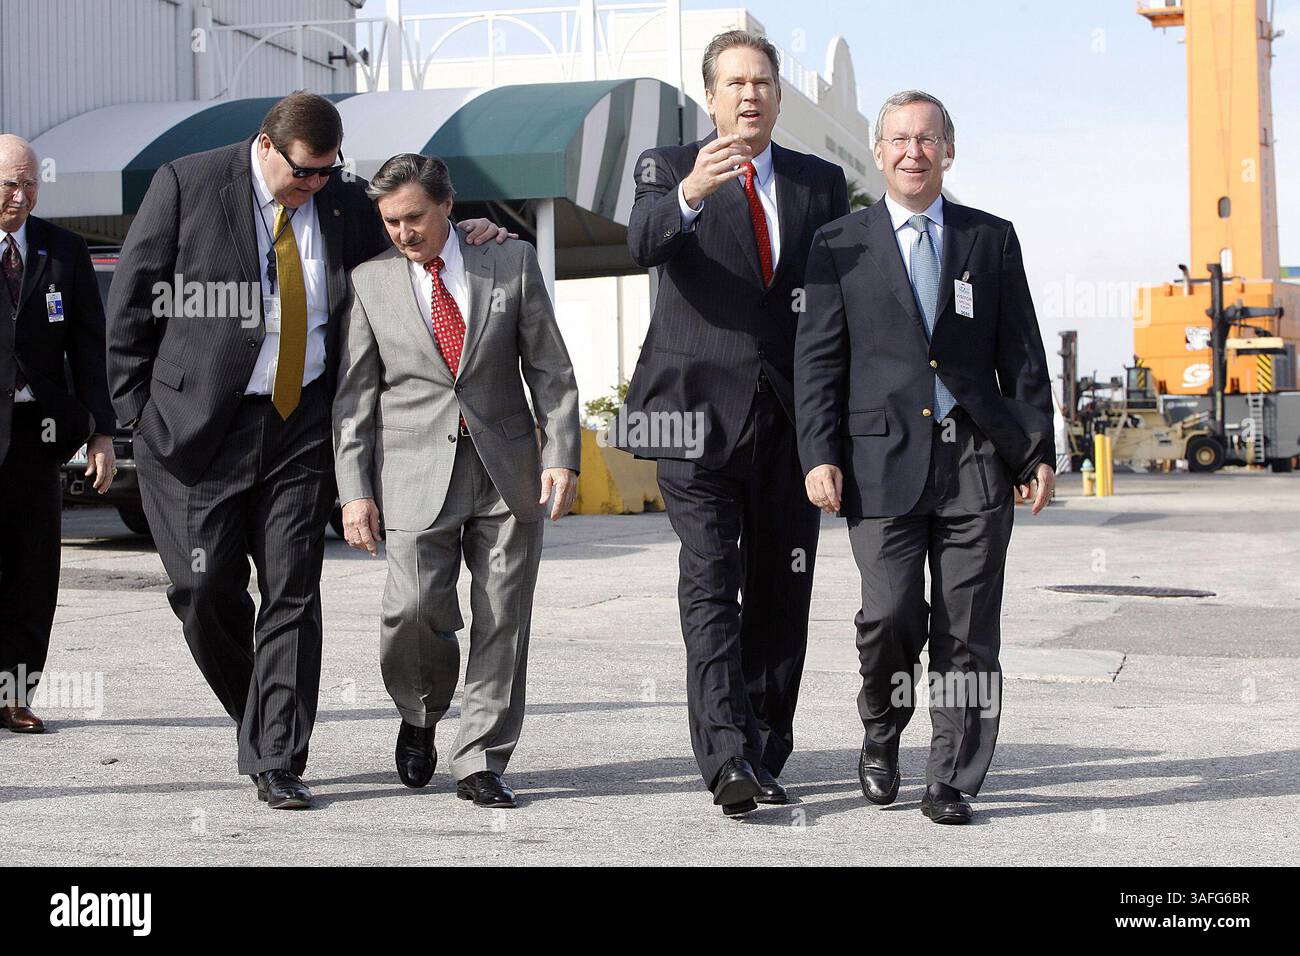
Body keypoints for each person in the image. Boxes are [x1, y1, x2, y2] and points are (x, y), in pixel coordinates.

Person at [106, 92, 509, 809]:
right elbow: (131, 303)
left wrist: (476, 225)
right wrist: (137, 416)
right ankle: (262, 716)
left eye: (327, 173)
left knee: (292, 590)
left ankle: (278, 755)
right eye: (305, 174)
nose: (316, 187)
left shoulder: (344, 204)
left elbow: (414, 237)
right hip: (197, 430)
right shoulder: (185, 184)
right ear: (267, 146)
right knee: (203, 593)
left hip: (300, 428)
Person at [794, 90, 1056, 825]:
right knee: (890, 614)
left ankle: (952, 778)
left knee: (968, 632)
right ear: (879, 153)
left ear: (949, 149)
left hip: (976, 457)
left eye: (928, 139)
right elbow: (817, 361)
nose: (914, 151)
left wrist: (1037, 449)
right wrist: (819, 453)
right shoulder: (839, 243)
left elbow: (1023, 351)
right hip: (879, 462)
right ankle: (882, 727)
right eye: (900, 140)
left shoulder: (990, 239)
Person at [615, 31, 849, 817]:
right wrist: (688, 193)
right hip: (692, 418)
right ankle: (726, 759)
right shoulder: (666, 163)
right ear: (710, 97)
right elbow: (641, 243)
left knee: (782, 588)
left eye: (763, 82)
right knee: (711, 581)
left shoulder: (822, 183)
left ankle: (765, 745)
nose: (750, 95)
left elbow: (832, 303)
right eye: (734, 83)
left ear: (779, 96)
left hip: (789, 420)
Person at [333, 153, 579, 809]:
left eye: (415, 216)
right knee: (412, 612)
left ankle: (480, 761)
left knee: (503, 620)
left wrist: (562, 454)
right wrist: (354, 490)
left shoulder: (510, 262)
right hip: (415, 473)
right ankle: (420, 713)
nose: (404, 232)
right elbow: (354, 399)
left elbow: (550, 369)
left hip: (507, 470)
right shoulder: (370, 282)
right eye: (391, 221)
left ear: (448, 206)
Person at [0, 134, 116, 733]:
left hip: (35, 434)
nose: (19, 196)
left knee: (32, 566)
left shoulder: (63, 251)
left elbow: (88, 350)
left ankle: (13, 692)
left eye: (29, 184)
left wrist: (100, 433)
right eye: (8, 185)